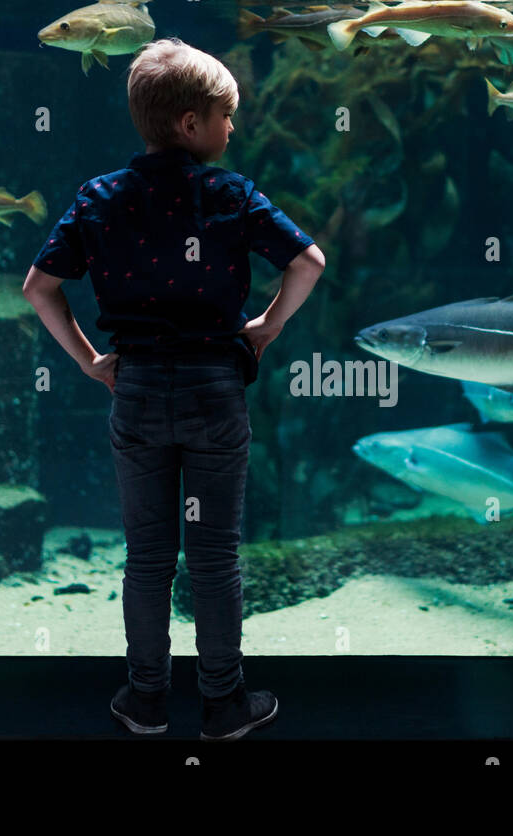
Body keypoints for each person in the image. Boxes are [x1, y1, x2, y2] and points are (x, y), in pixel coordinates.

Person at [22, 37, 325, 741]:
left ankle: (146, 699)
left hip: (137, 391)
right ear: (190, 123)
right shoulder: (232, 193)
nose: (232, 128)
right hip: (217, 389)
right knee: (214, 554)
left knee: (148, 555)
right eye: (225, 115)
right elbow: (307, 262)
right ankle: (223, 704)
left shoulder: (99, 197)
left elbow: (40, 288)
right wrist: (268, 327)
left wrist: (94, 361)